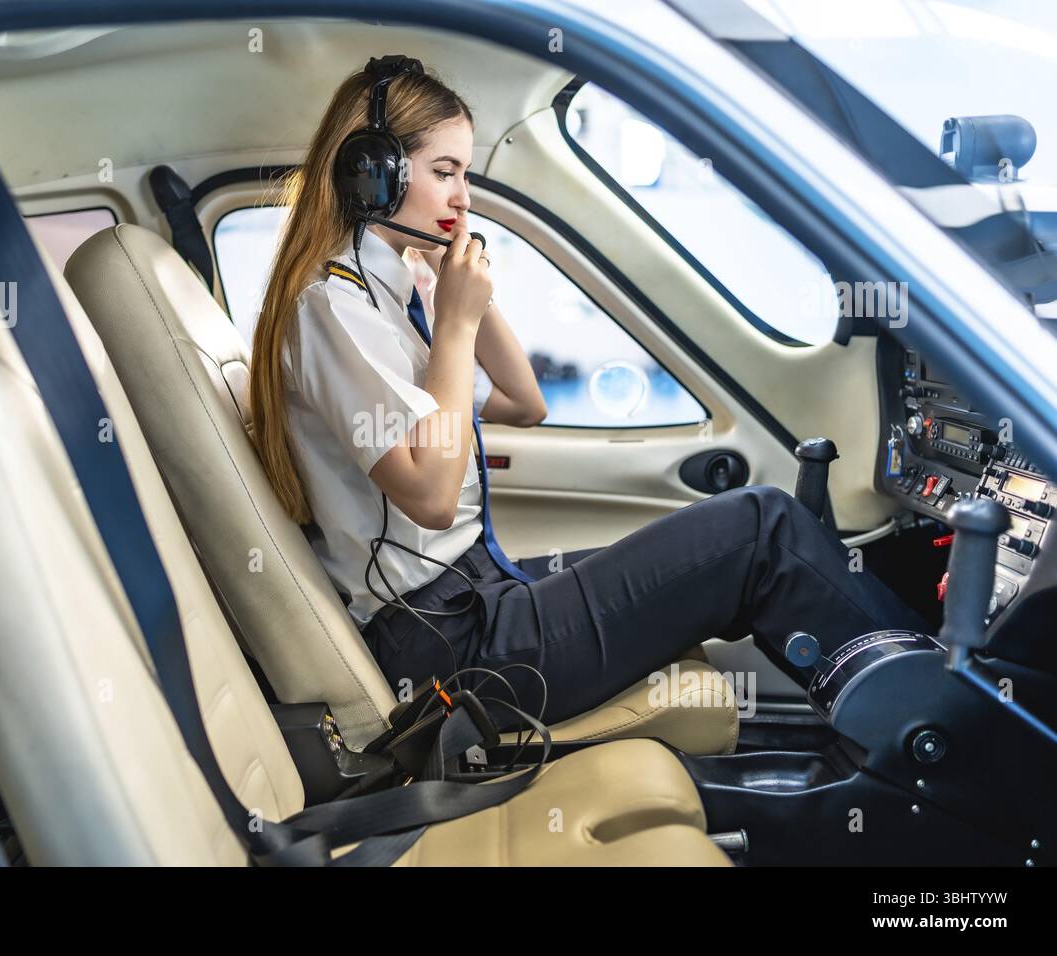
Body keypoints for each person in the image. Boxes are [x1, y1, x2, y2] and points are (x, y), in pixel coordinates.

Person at [248, 59, 926, 727]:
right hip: (446, 645)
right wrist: (452, 326)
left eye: (467, 174)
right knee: (759, 530)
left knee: (731, 539)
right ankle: (935, 710)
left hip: (475, 595)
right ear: (372, 176)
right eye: (445, 173)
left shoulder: (393, 294)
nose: (464, 198)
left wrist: (459, 295)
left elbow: (523, 405)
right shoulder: (333, 309)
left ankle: (893, 712)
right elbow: (428, 495)